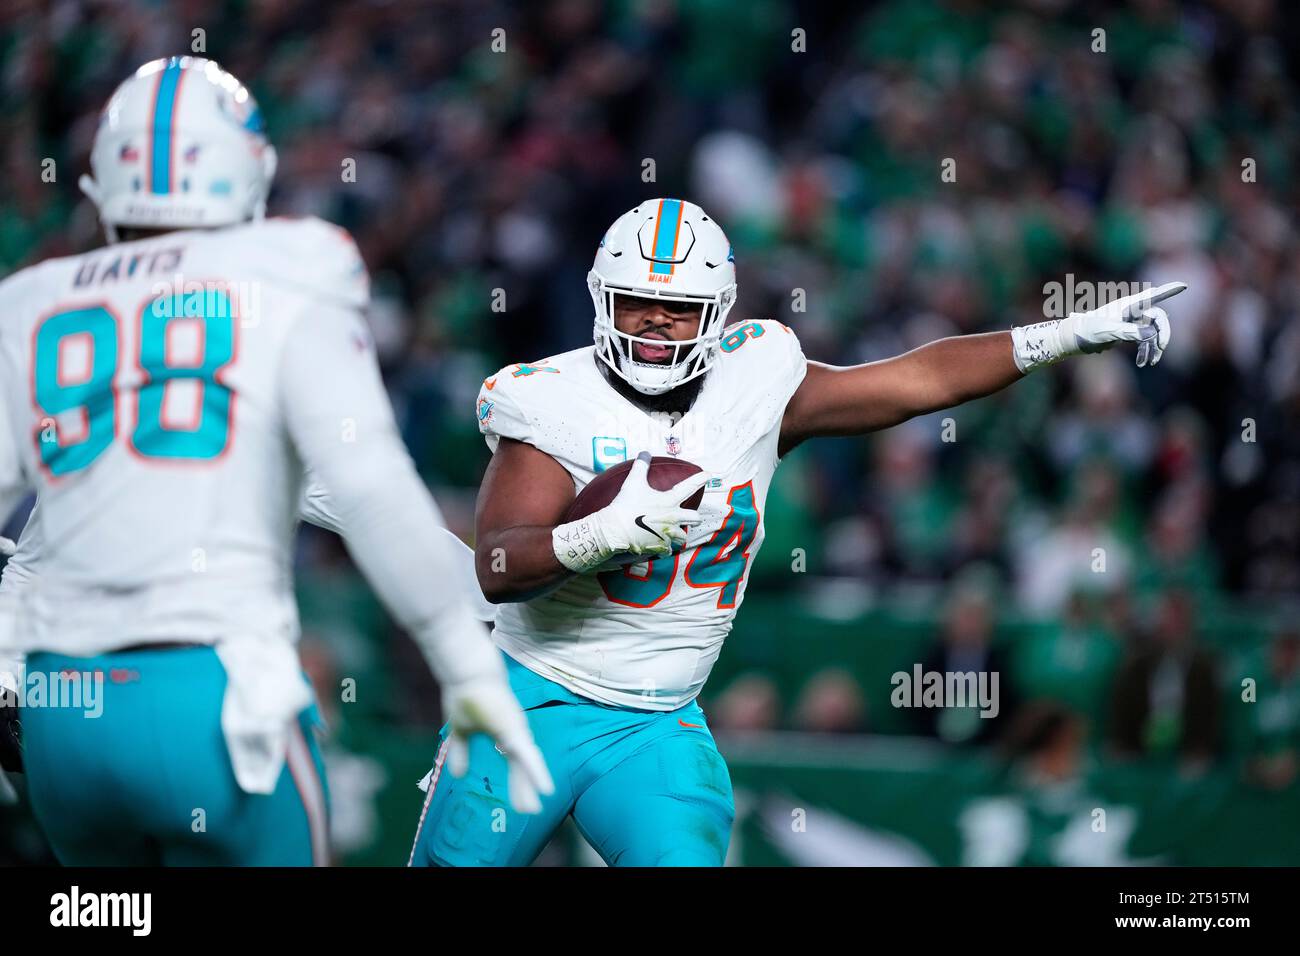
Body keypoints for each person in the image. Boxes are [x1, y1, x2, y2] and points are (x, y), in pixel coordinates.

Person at [407, 196, 1185, 866]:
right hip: (532, 701)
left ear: (715, 314)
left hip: (656, 722)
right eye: (634, 299)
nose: (652, 320)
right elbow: (499, 563)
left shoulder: (758, 382)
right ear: (600, 299)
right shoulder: (553, 401)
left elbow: (918, 380)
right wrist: (604, 534)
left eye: (675, 306)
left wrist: (1064, 336)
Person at [0, 56, 551, 866]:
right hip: (209, 698)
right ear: (248, 175)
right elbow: (368, 490)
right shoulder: (289, 276)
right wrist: (473, 662)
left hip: (59, 714)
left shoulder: (31, 302)